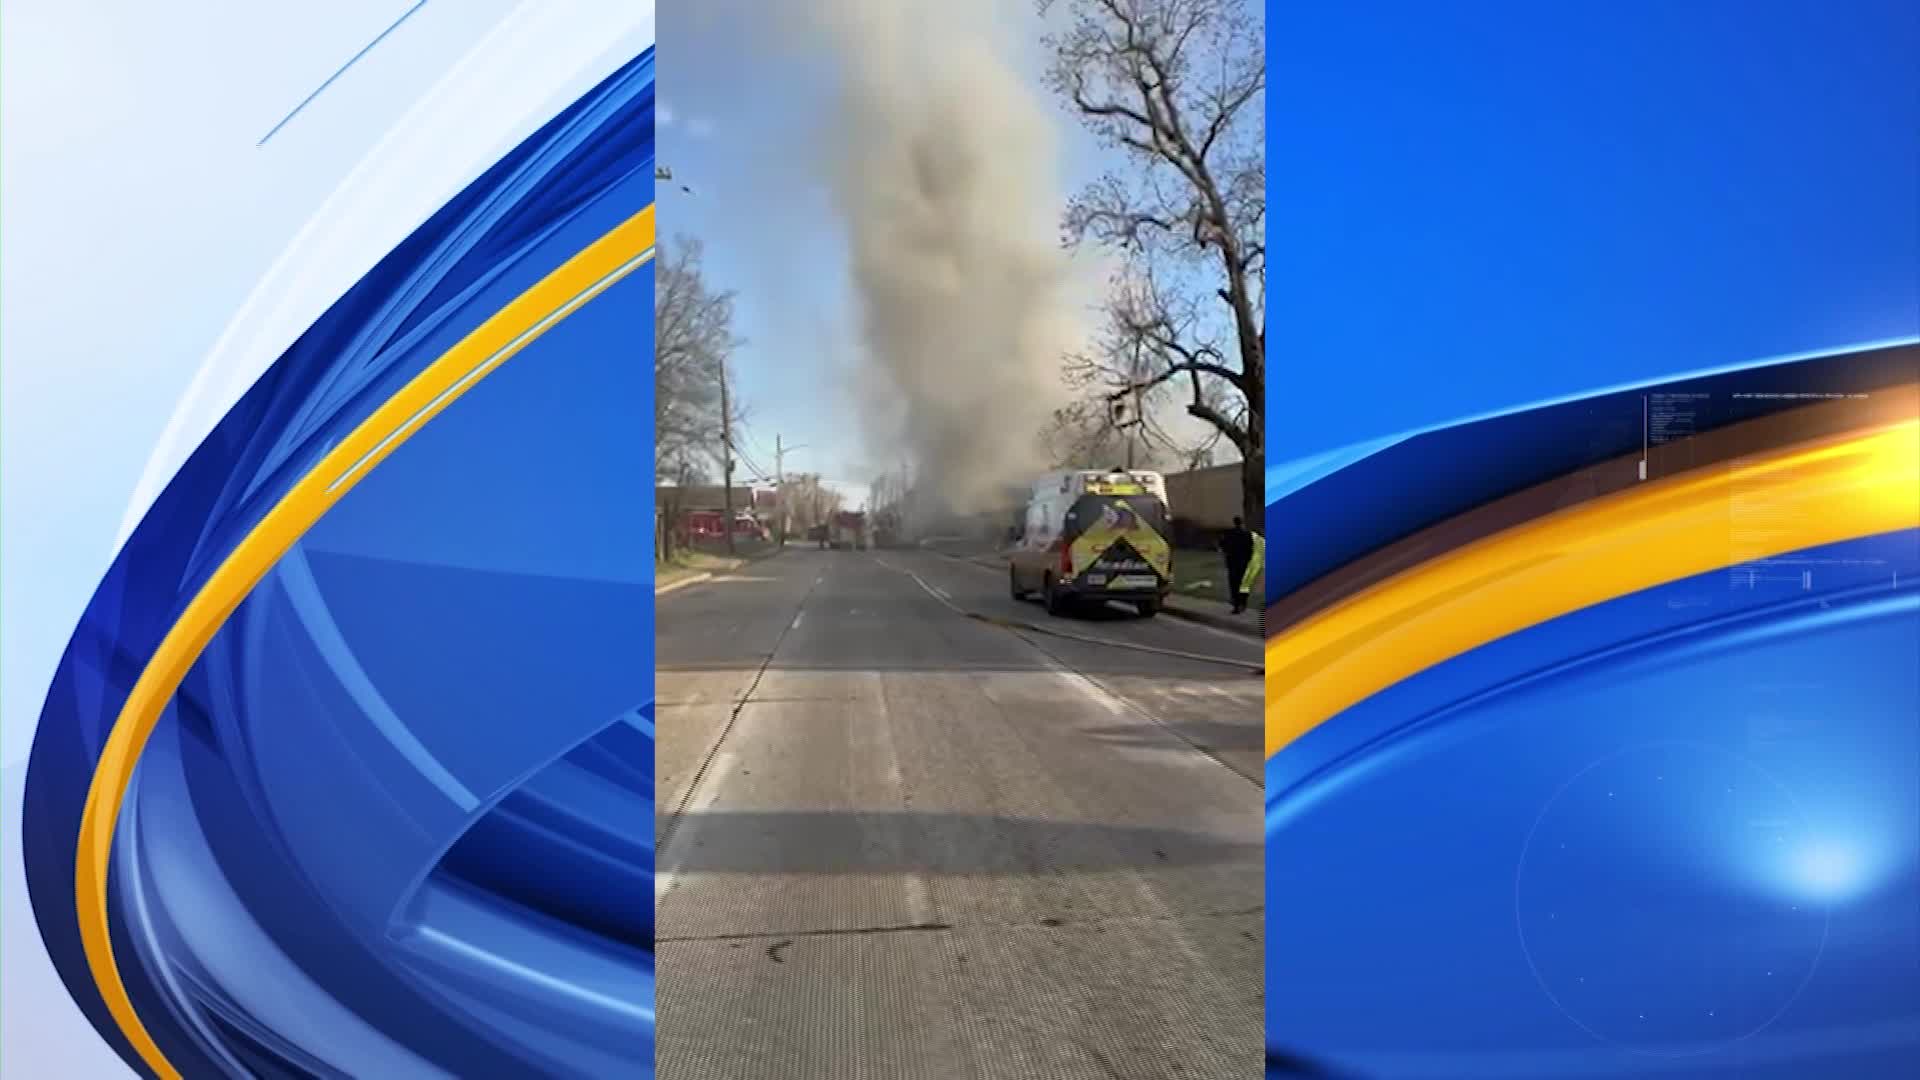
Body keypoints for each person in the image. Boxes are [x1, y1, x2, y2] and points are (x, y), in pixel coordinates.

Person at [1219, 517, 1258, 614]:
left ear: (1234, 523)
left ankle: (1236, 605)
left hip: (1232, 563)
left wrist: (1226, 553)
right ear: (1242, 523)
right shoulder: (1247, 534)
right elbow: (1252, 548)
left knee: (1234, 585)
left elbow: (1222, 546)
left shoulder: (1228, 534)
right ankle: (1243, 603)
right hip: (1244, 563)